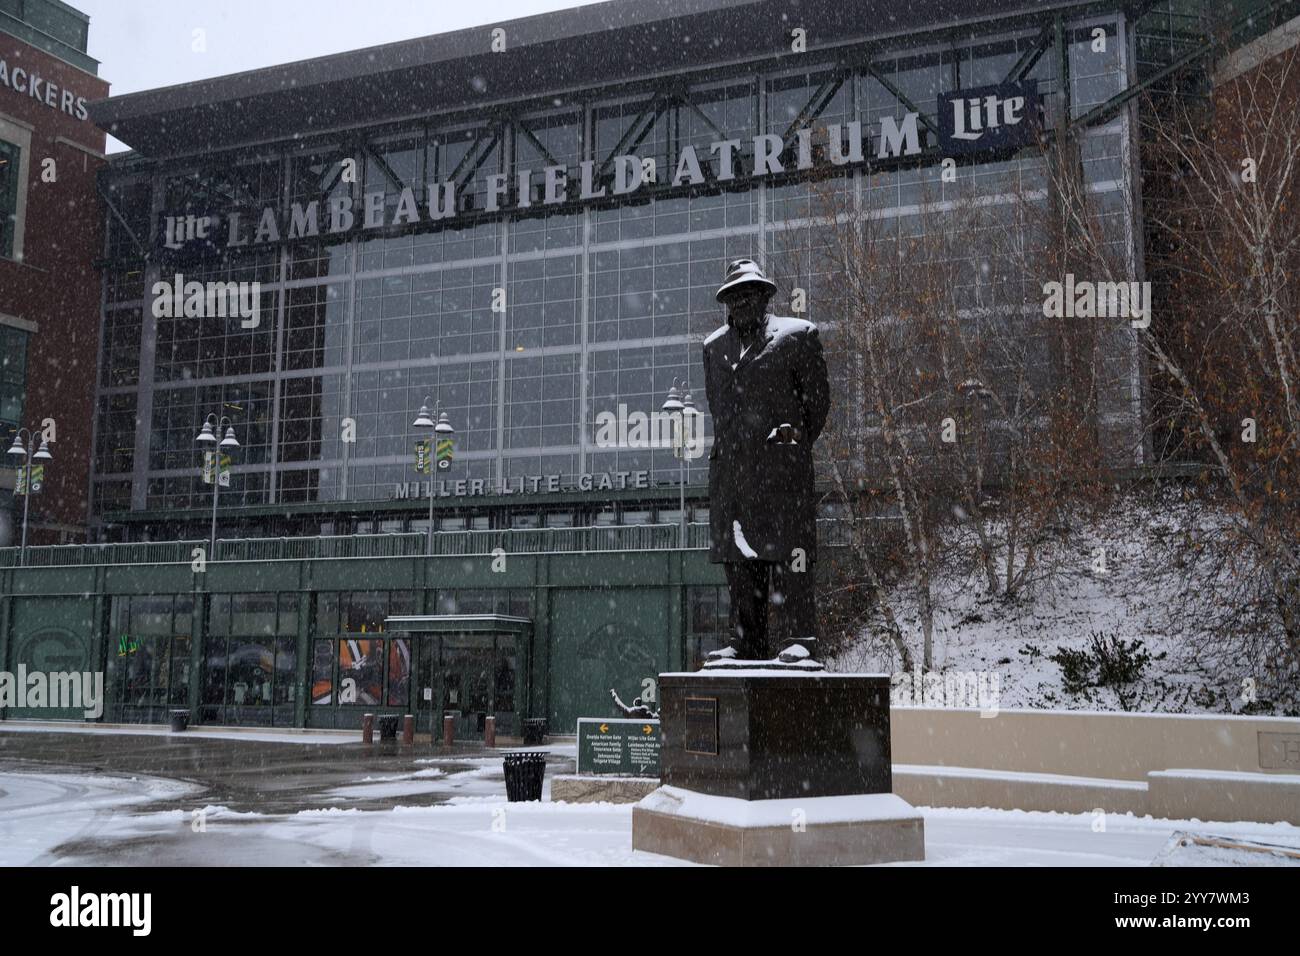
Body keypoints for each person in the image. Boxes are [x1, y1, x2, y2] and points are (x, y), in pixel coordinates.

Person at [702, 258, 830, 665]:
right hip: (733, 478)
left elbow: (819, 403)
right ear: (726, 302)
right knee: (741, 567)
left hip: (781, 474)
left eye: (749, 294)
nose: (741, 302)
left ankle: (801, 638)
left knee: (791, 558)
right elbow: (719, 411)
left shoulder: (797, 336)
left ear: (764, 297)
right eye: (734, 296)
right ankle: (746, 642)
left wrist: (795, 436)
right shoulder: (713, 348)